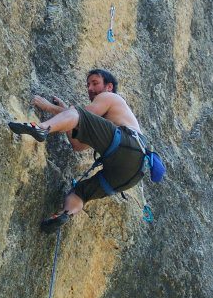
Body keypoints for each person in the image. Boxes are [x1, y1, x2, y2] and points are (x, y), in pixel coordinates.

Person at [9, 69, 150, 231]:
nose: (90, 88)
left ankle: (42, 128)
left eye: (95, 83)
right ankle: (64, 214)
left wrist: (50, 108)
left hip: (127, 144)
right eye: (88, 85)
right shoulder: (105, 127)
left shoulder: (109, 97)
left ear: (109, 86)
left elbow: (81, 115)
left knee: (78, 112)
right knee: (80, 193)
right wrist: (67, 118)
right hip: (132, 174)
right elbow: (78, 145)